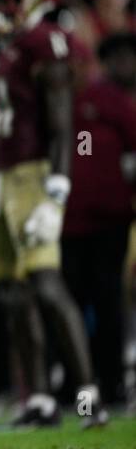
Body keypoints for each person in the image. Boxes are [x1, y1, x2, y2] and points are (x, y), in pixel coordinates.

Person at [0, 0, 107, 428]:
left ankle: (90, 396)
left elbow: (61, 122)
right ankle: (39, 398)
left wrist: (58, 189)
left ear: (28, 0)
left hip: (31, 173)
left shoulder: (44, 42)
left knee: (47, 284)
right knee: (11, 291)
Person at [61, 32, 136, 408]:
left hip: (108, 223)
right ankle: (76, 387)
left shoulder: (108, 100)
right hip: (67, 225)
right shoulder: (52, 103)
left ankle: (113, 384)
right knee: (69, 307)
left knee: (108, 304)